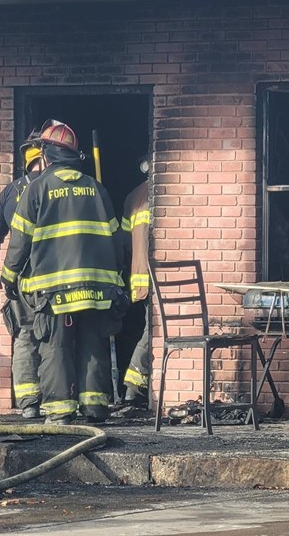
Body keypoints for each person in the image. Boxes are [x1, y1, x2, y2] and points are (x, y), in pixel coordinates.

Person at [0, 120, 128, 424]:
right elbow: (116, 240)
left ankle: (60, 412)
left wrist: (8, 277)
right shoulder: (97, 189)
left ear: (47, 154)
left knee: (55, 348)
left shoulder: (37, 189)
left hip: (54, 292)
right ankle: (95, 407)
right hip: (97, 290)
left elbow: (19, 242)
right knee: (93, 345)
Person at [0, 127, 46, 419]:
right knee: (56, 338)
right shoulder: (52, 188)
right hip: (54, 276)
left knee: (25, 337)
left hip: (19, 278)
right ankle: (57, 400)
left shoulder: (11, 191)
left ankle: (28, 404)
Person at [120, 157, 152, 405]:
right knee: (153, 331)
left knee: (149, 329)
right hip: (156, 277)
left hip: (138, 277)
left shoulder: (132, 196)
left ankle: (135, 387)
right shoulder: (162, 196)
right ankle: (134, 386)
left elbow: (122, 243)